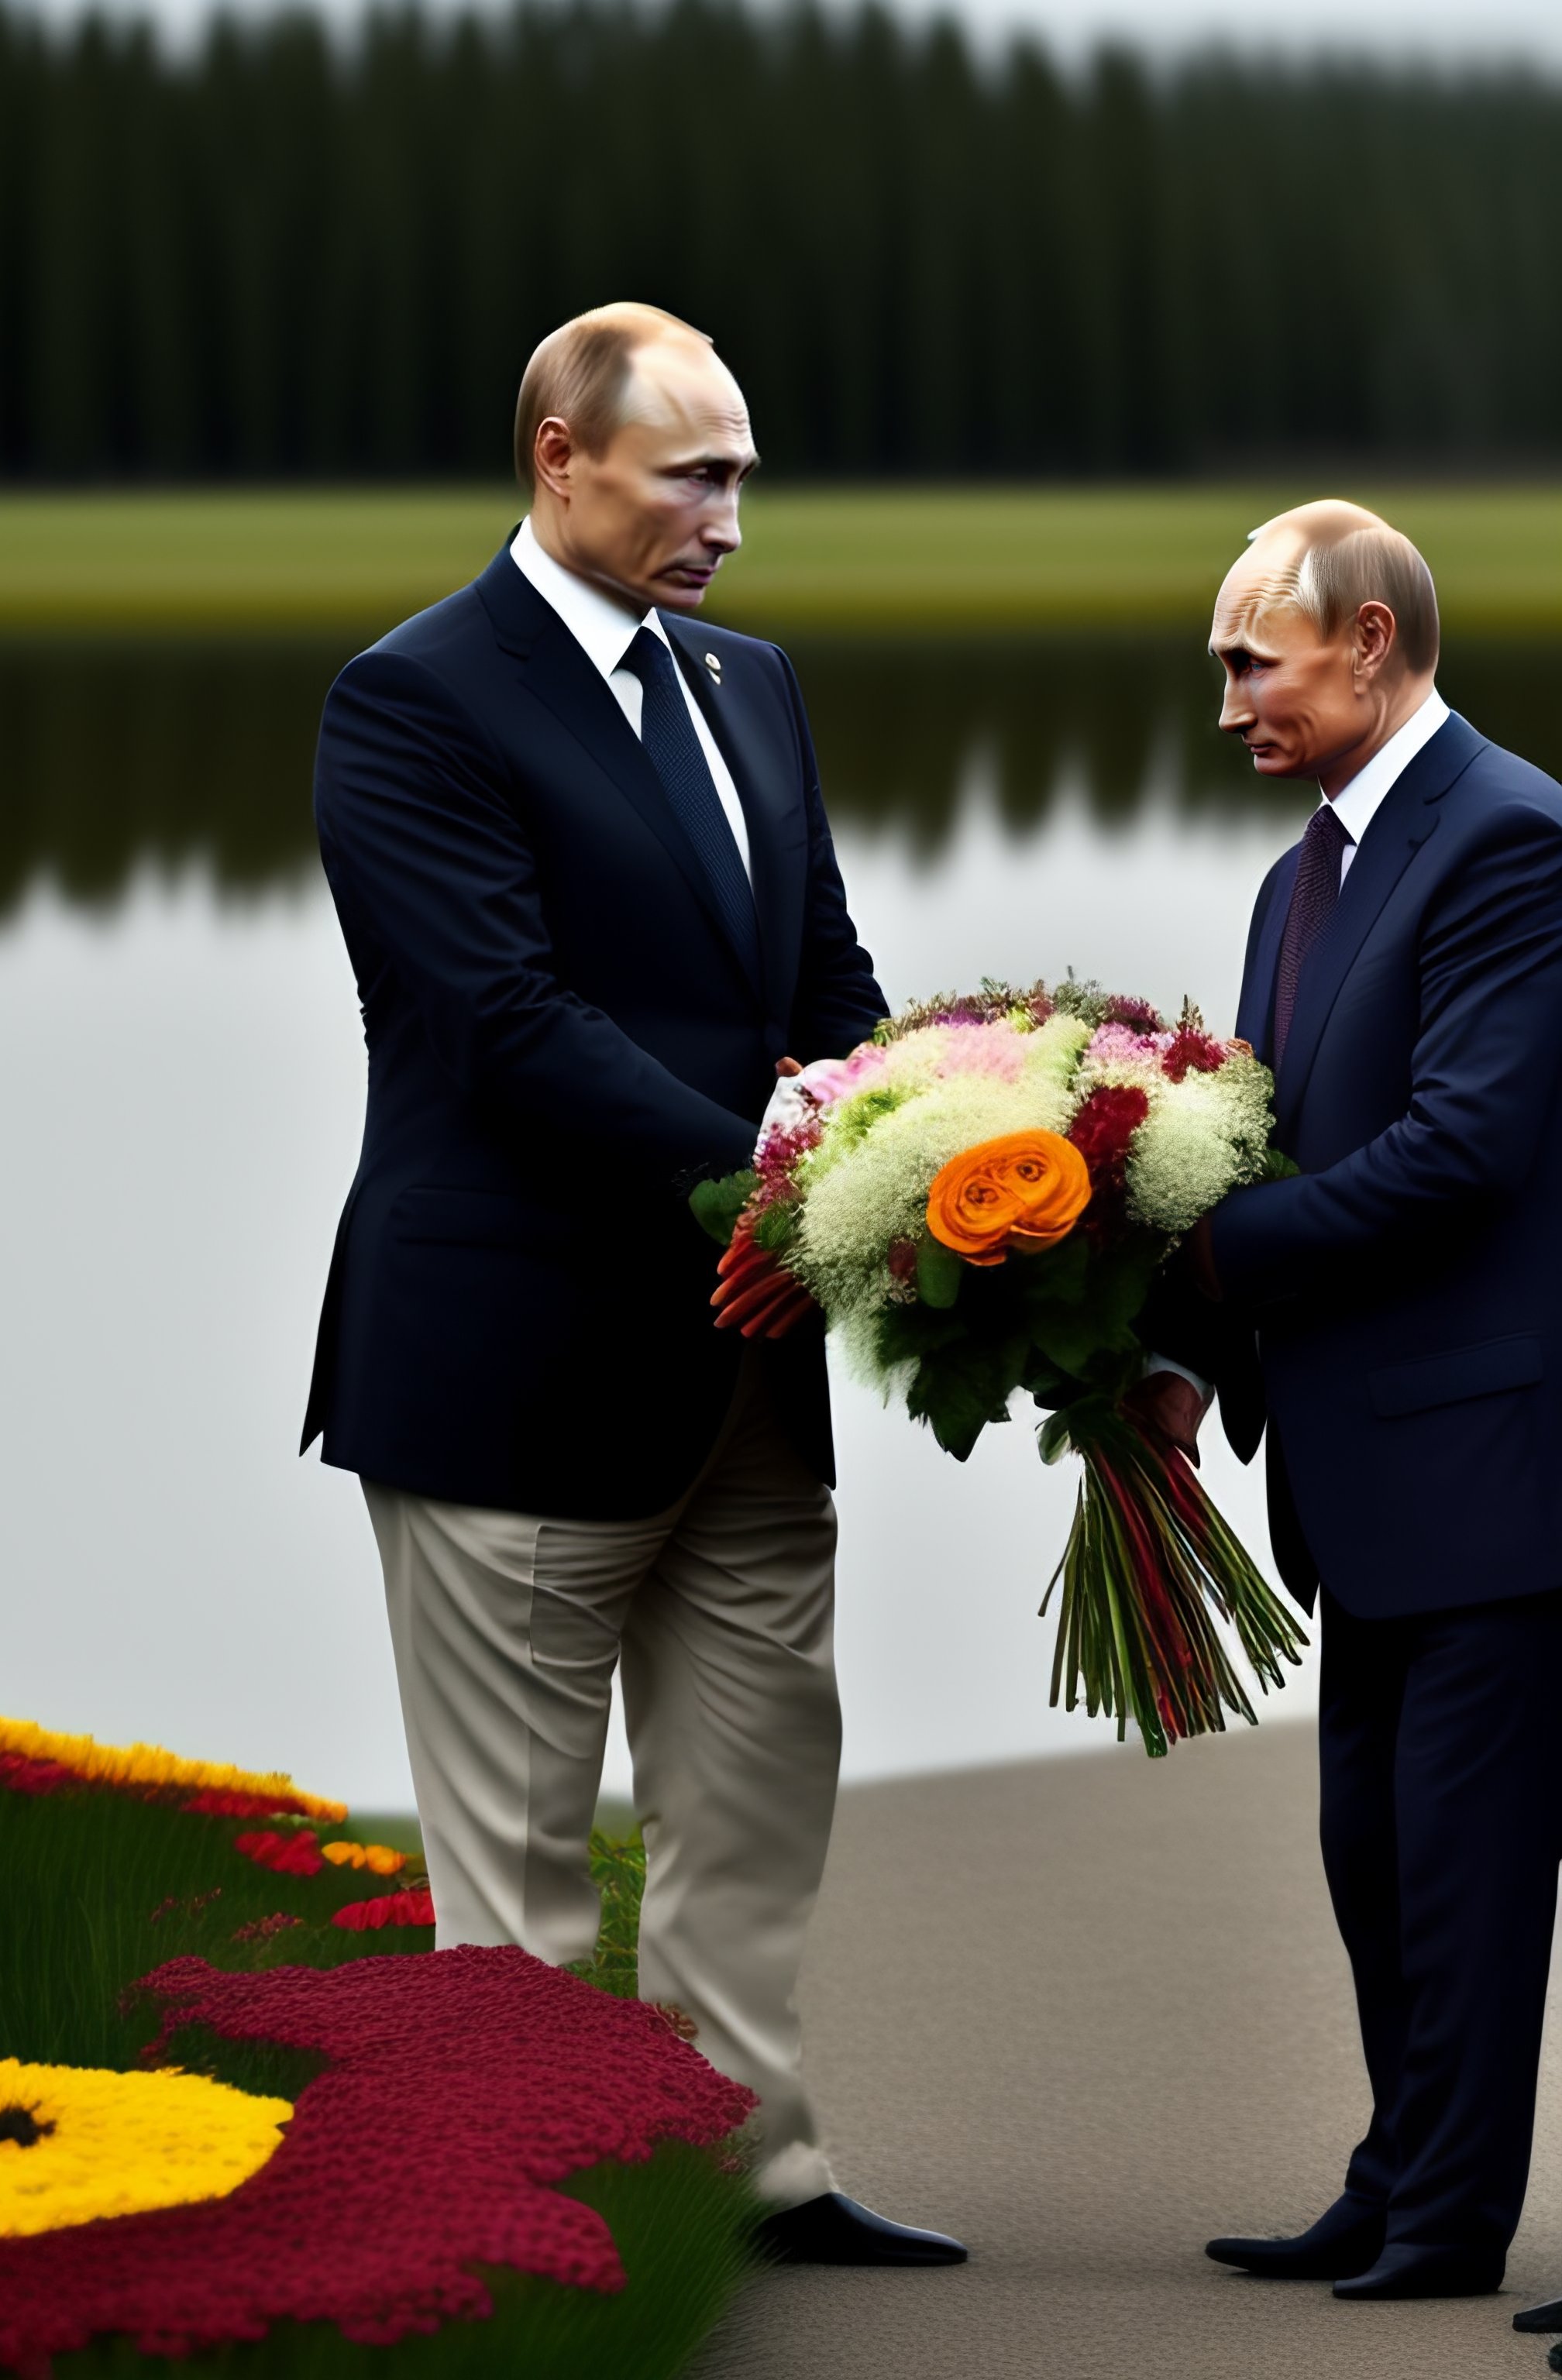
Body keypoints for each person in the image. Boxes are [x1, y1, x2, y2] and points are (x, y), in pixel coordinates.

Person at [301, 301, 965, 2266]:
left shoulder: (752, 684)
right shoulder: (412, 699)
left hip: (753, 1372)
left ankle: (741, 2174)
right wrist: (768, 1200)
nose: (728, 522)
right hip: (516, 1357)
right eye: (692, 478)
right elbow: (503, 1020)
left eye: (740, 478)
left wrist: (903, 1165)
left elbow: (827, 983)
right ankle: (516, 2216)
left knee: (753, 1799)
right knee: (511, 1856)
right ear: (559, 459)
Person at [1184, 500, 1562, 2306]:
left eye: (1251, 664)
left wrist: (1206, 1251)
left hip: (1491, 1466)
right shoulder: (1299, 875)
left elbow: (1461, 1151)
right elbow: (1265, 1139)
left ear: (1369, 644)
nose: (1230, 704)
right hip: (1361, 1474)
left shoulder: (1509, 837)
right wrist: (1167, 1345)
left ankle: (1446, 2223)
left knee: (1465, 1869)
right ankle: (1396, 2173)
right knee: (1375, 1850)